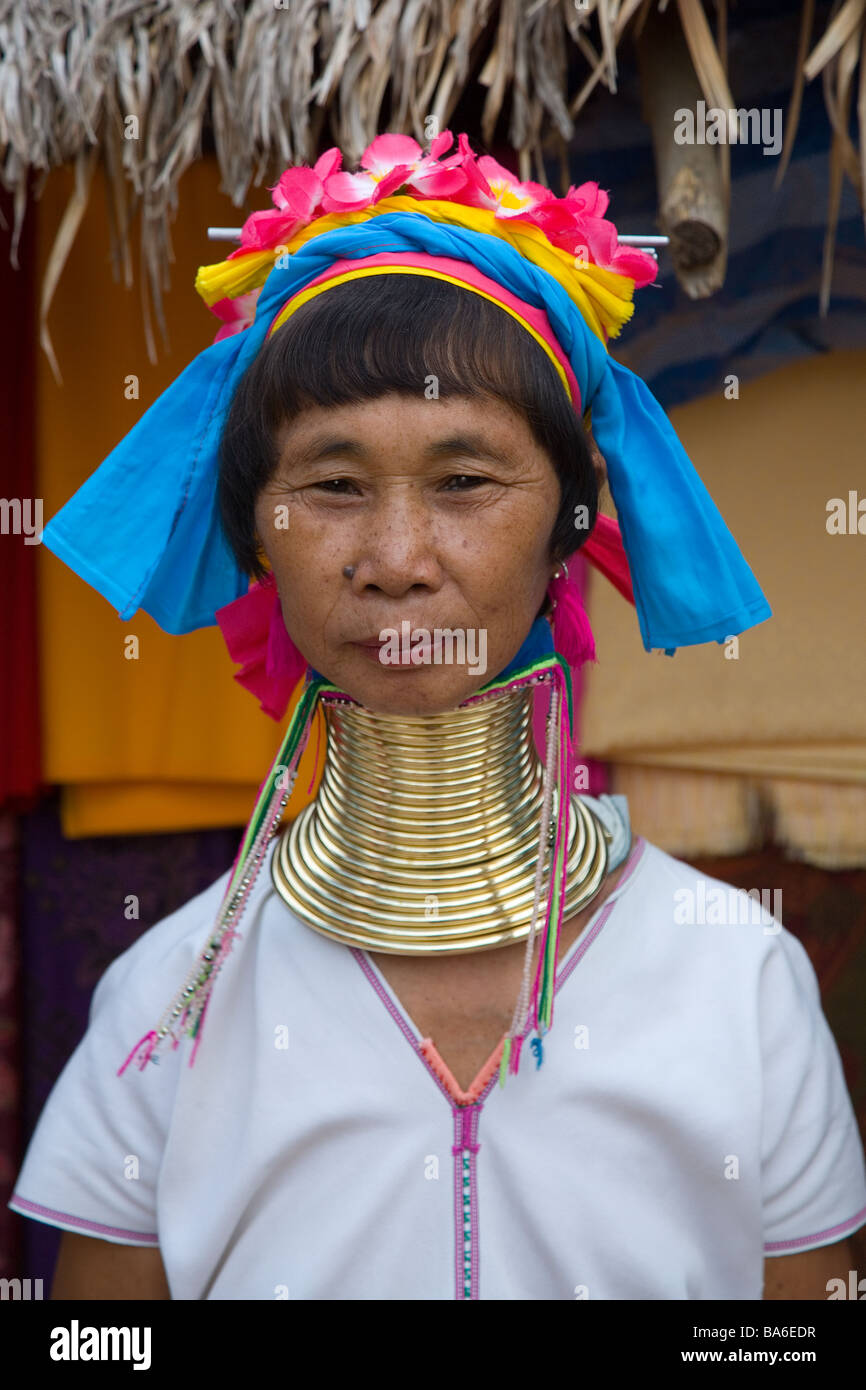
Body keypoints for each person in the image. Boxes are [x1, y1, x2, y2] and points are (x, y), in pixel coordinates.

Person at [9, 133, 866, 1300]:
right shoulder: (169, 999)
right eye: (331, 485)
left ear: (571, 520)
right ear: (256, 528)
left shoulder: (736, 976)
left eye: (464, 484)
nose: (396, 560)